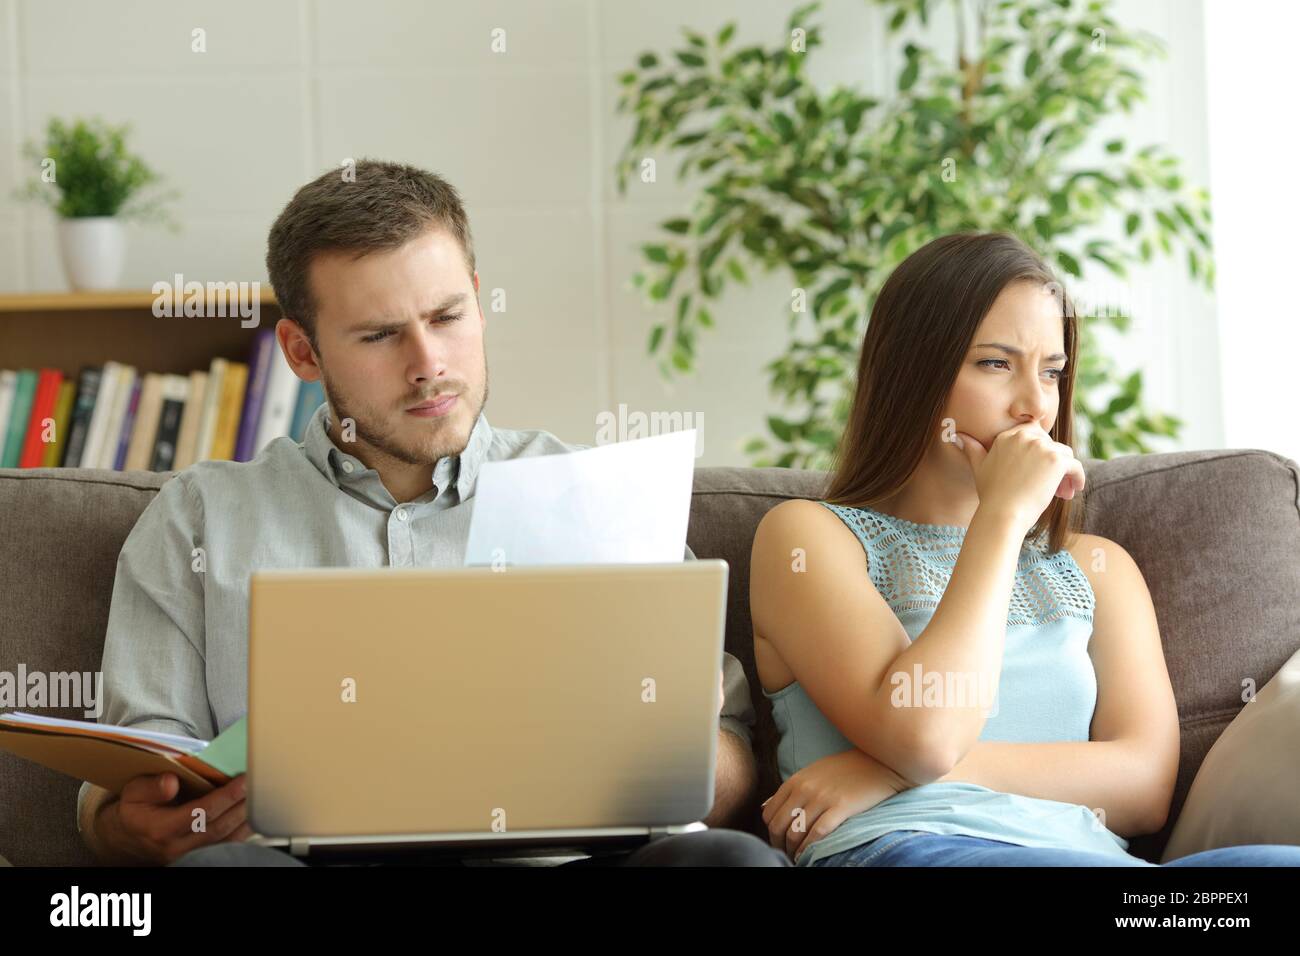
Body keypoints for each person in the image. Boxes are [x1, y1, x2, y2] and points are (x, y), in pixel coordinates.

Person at [78, 159, 786, 868]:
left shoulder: (601, 495)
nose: (428, 364)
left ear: (478, 302)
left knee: (734, 863)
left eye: (447, 317)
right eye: (381, 336)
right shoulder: (197, 519)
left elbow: (730, 762)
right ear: (302, 351)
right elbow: (132, 780)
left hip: (564, 863)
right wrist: (128, 825)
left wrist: (669, 747)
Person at [750, 231, 1300, 867]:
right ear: (914, 374)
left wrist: (886, 774)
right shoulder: (810, 538)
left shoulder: (1099, 569)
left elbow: (1144, 787)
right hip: (914, 846)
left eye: (1052, 371)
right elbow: (925, 736)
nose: (1036, 405)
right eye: (994, 363)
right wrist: (1003, 517)